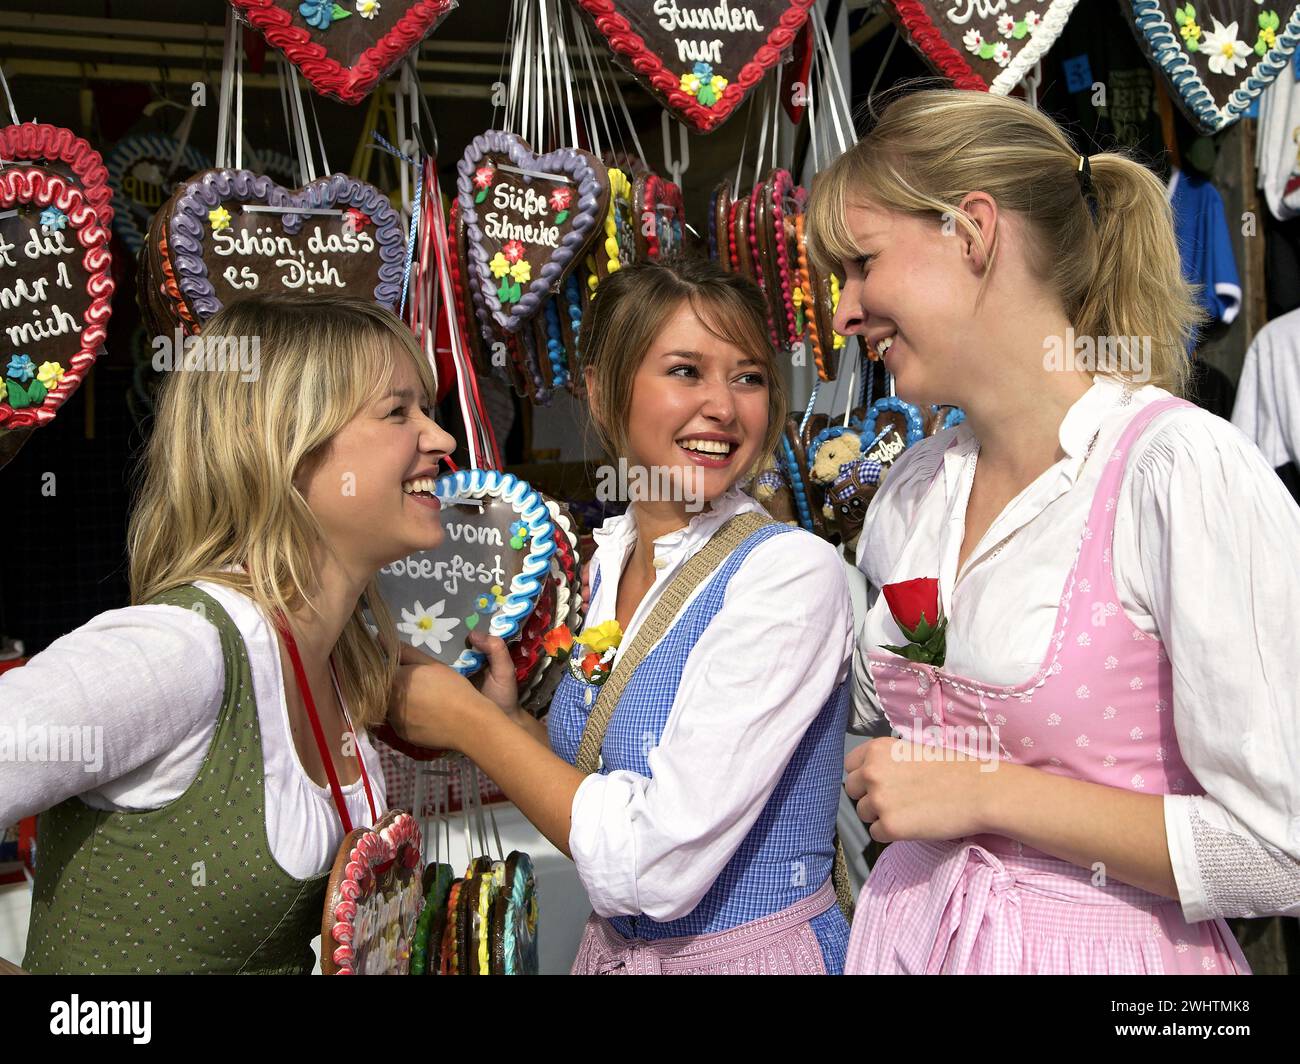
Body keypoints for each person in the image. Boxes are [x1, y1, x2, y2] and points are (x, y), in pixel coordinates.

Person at [807, 87, 1300, 974]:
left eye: (861, 263)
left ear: (973, 231)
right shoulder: (914, 491)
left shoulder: (1177, 473)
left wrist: (983, 791)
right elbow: (882, 709)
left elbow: (1279, 850)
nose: (843, 312)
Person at [394, 258, 855, 974]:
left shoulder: (789, 574)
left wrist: (472, 726)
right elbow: (613, 776)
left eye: (749, 376)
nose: (725, 408)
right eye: (685, 371)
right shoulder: (603, 563)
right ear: (605, 394)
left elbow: (655, 866)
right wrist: (516, 724)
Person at [0, 294, 461, 973]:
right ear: (284, 447)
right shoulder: (178, 652)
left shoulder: (336, 661)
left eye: (427, 410)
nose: (442, 439)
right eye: (399, 412)